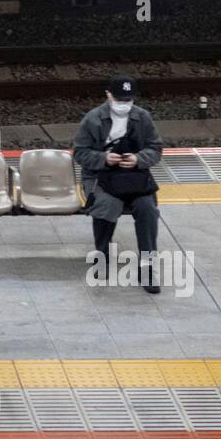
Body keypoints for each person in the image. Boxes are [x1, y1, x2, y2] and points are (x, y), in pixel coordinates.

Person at [73, 76, 163, 293]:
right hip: (100, 176)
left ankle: (147, 266)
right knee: (107, 205)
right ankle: (101, 254)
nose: (124, 104)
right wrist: (104, 158)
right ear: (108, 95)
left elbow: (155, 148)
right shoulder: (93, 119)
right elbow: (80, 153)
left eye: (128, 99)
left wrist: (138, 159)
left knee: (148, 209)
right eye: (120, 99)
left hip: (134, 177)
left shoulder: (142, 118)